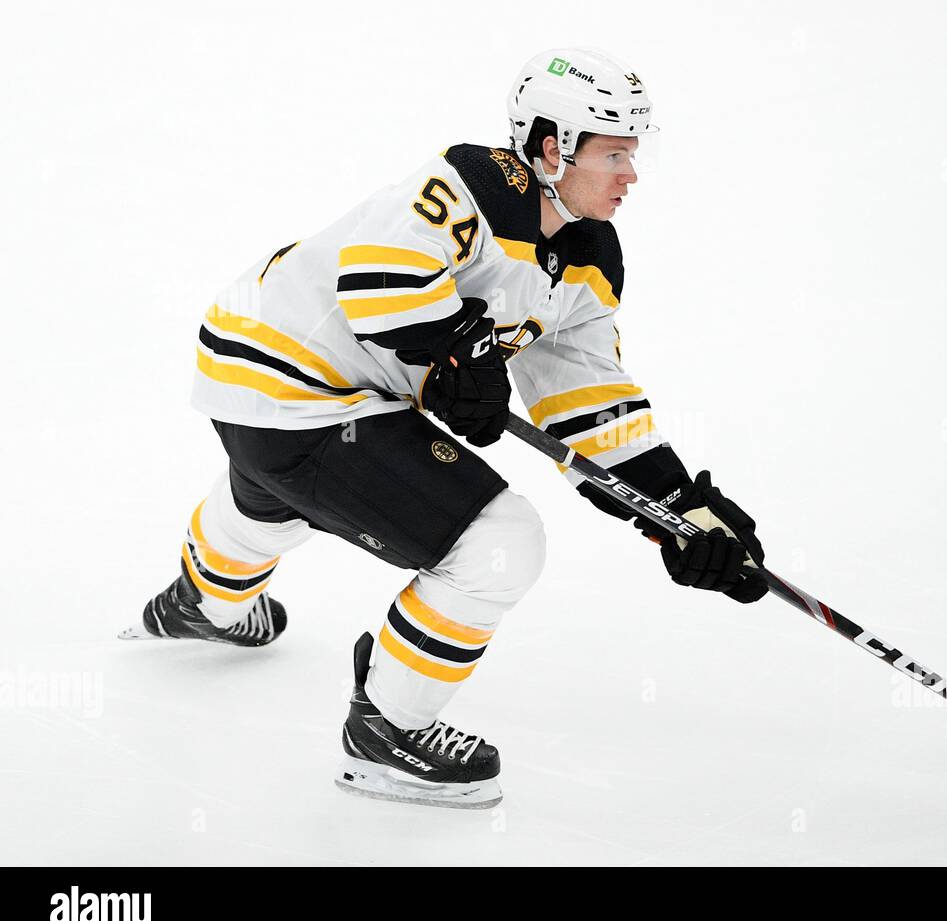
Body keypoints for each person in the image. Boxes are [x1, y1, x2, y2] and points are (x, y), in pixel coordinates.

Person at [122, 48, 768, 809]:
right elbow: (379, 271)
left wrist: (673, 509)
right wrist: (455, 353)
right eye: (615, 153)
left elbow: (590, 400)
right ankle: (387, 732)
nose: (632, 174)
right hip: (294, 385)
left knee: (281, 490)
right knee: (499, 545)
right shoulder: (477, 184)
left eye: (635, 152)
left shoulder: (589, 258)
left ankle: (207, 601)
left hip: (268, 395)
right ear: (553, 147)